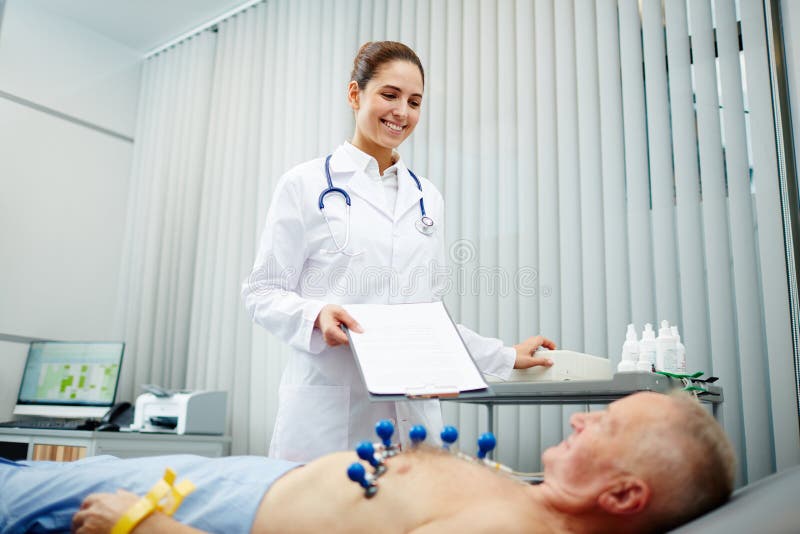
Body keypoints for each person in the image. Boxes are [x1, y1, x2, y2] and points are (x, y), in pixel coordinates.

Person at [241, 40, 555, 462]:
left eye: (414, 102)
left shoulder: (427, 197)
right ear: (356, 95)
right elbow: (261, 292)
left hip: (412, 407)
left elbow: (424, 314)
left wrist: (503, 355)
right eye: (389, 95)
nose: (402, 112)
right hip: (330, 413)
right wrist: (315, 315)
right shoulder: (305, 184)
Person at [3, 392, 735, 533]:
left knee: (17, 493)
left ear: (621, 495)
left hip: (222, 512)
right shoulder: (542, 501)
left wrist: (154, 531)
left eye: (603, 423)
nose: (580, 416)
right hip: (260, 481)